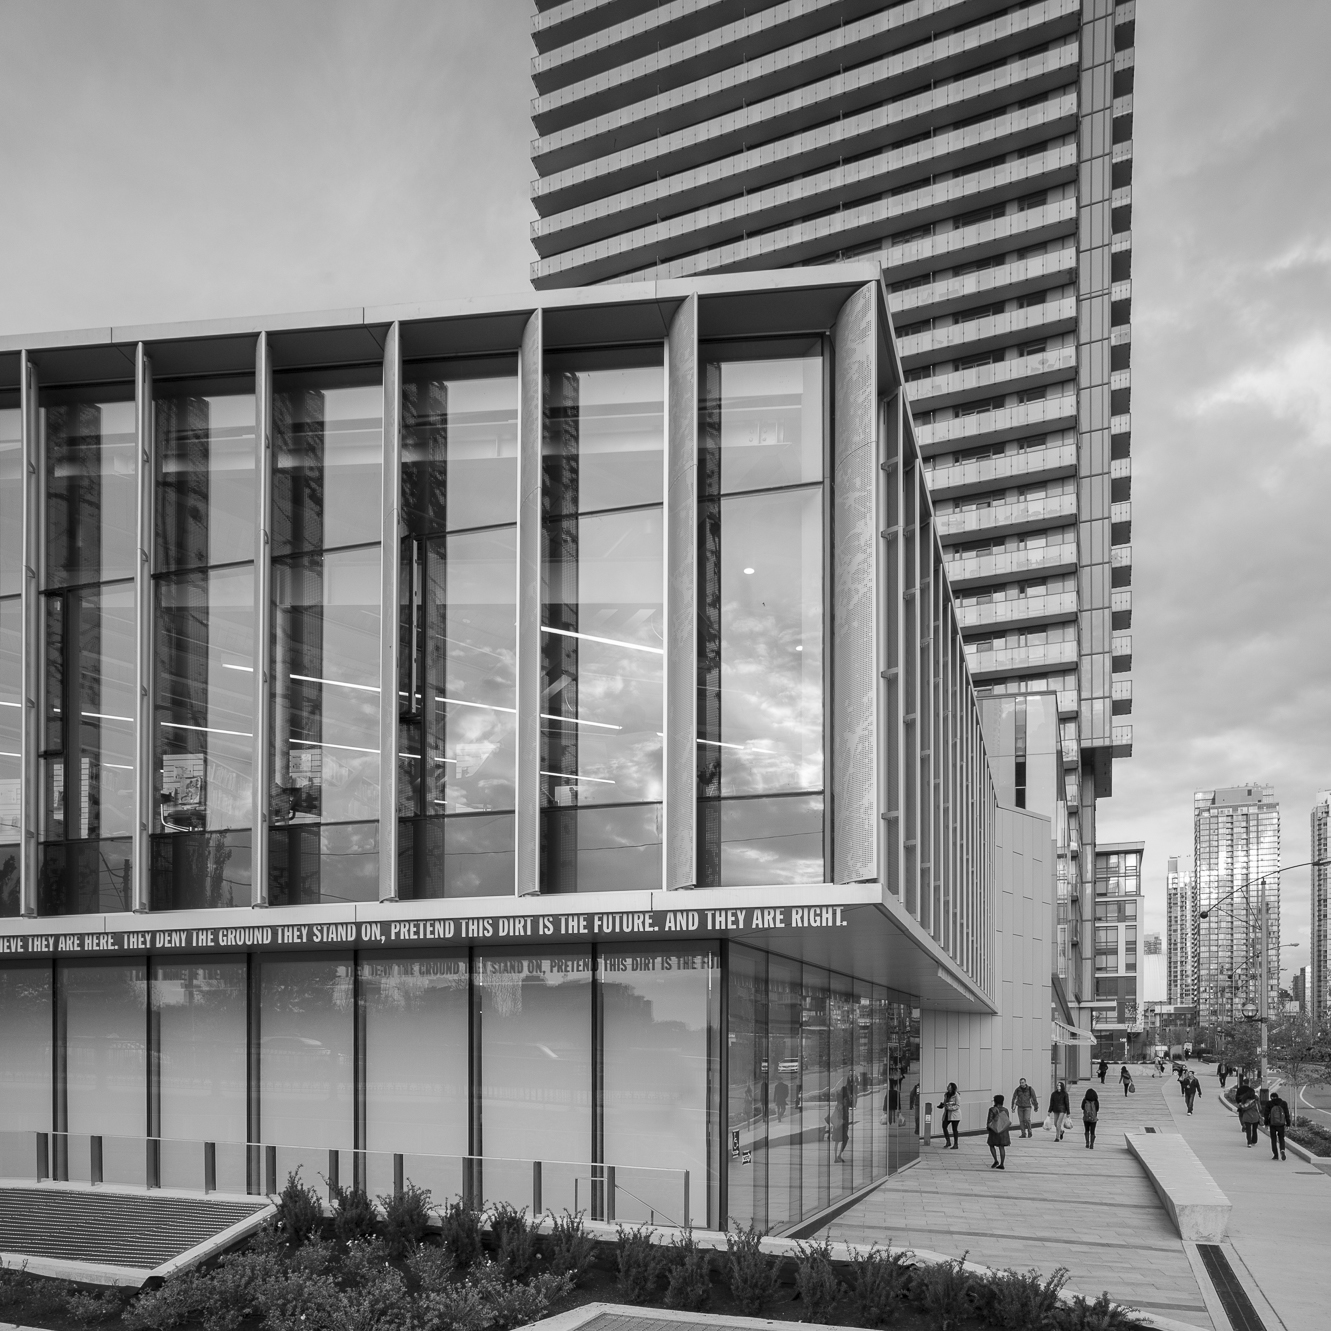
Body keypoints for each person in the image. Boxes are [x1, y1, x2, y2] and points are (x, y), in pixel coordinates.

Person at [986, 1094, 1011, 1169]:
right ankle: (1002, 1164)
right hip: (1003, 1131)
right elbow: (1006, 1120)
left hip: (994, 1130)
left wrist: (988, 1128)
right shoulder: (1005, 1110)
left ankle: (996, 1160)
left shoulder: (992, 1109)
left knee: (991, 1145)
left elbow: (989, 1121)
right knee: (1001, 1147)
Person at [1267, 1090, 1290, 1162]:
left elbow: (1266, 1114)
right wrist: (1288, 1123)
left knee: (1273, 1140)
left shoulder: (1269, 1103)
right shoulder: (1283, 1103)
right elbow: (1286, 1114)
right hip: (1281, 1124)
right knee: (1281, 1138)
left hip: (1272, 1124)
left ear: (1271, 1097)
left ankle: (1275, 1155)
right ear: (1277, 1097)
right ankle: (1282, 1150)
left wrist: (1266, 1123)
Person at [1235, 1080, 1261, 1147]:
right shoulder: (1256, 1100)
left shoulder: (1244, 1100)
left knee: (1248, 1130)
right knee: (1254, 1129)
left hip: (1247, 1116)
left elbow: (1242, 1106)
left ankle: (1249, 1142)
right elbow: (1260, 1108)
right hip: (1255, 1117)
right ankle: (1254, 1141)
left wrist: (1239, 1104)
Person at [941, 1082, 961, 1149]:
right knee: (944, 1126)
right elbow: (945, 1102)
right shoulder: (946, 1095)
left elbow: (957, 1106)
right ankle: (948, 1141)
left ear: (952, 1088)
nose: (948, 1087)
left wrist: (950, 1108)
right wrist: (942, 1105)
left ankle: (956, 1144)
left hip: (955, 1114)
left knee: (954, 1129)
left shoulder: (956, 1095)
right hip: (947, 1113)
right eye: (948, 1086)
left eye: (949, 1086)